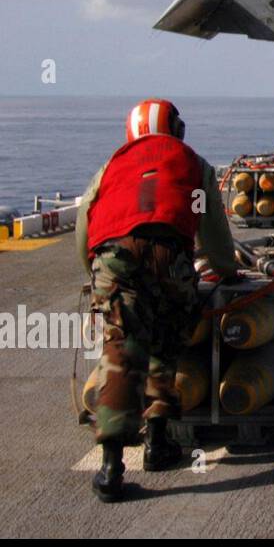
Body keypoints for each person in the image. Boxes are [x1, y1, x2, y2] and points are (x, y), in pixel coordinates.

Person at [76, 99, 238, 502]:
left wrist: (95, 274)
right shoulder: (194, 163)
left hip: (116, 260)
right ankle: (158, 444)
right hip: (171, 259)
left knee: (120, 352)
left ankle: (112, 469)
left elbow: (85, 223)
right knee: (166, 343)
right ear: (176, 129)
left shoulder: (111, 166)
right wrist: (226, 269)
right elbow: (211, 225)